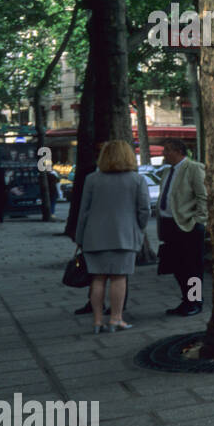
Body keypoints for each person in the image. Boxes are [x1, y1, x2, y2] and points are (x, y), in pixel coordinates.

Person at [74, 140, 150, 333]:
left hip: (94, 236)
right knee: (118, 278)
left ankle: (97, 321)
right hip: (124, 237)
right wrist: (138, 228)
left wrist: (79, 237)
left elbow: (84, 211)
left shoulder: (92, 179)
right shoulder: (137, 180)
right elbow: (144, 210)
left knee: (97, 279)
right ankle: (116, 319)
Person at [156, 139, 207, 316]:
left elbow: (203, 196)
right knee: (177, 266)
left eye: (167, 150)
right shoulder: (167, 172)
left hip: (188, 226)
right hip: (169, 225)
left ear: (178, 151)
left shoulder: (193, 168)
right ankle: (186, 300)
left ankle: (195, 302)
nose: (164, 154)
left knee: (192, 267)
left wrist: (198, 220)